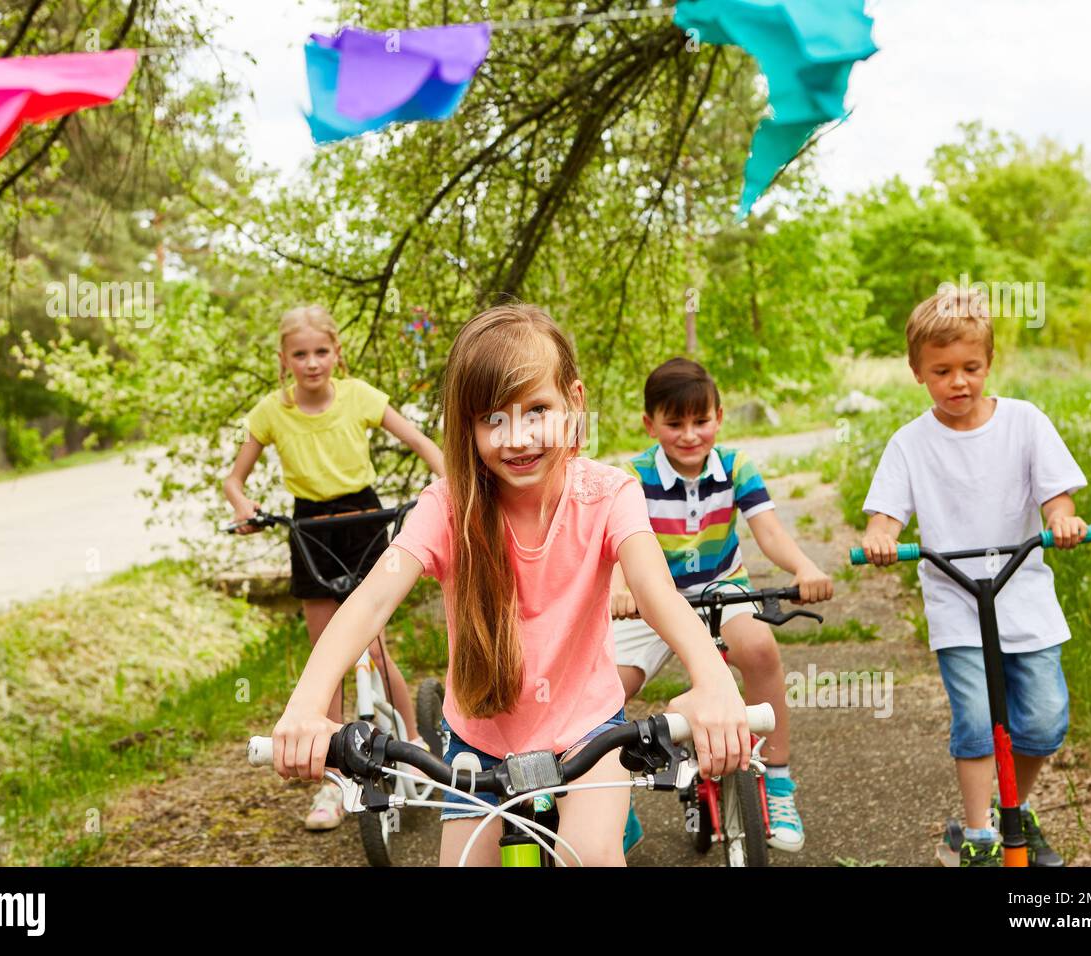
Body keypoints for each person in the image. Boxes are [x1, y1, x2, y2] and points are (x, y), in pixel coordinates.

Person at [271, 303, 752, 866]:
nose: (517, 437)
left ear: (574, 402)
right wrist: (308, 705)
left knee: (591, 856)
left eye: (537, 410)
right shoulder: (448, 508)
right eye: (492, 418)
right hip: (479, 745)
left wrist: (713, 680)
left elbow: (655, 591)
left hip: (589, 733)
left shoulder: (608, 493)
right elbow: (373, 598)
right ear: (467, 425)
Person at [859, 289, 1089, 867]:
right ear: (917, 372)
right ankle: (981, 835)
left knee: (1043, 720)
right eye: (942, 371)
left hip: (1024, 595)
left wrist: (1062, 521)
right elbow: (884, 513)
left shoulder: (1024, 422)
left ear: (989, 363)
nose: (958, 381)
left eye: (971, 368)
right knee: (977, 721)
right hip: (958, 604)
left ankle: (1016, 812)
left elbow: (1055, 496)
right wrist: (881, 536)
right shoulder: (910, 443)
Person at [224, 304, 445, 831]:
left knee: (370, 643)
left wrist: (448, 487)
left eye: (321, 351)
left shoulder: (360, 396)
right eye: (300, 354)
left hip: (364, 517)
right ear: (284, 360)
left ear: (336, 353)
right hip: (310, 526)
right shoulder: (270, 412)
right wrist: (243, 508)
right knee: (329, 655)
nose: (312, 363)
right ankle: (330, 781)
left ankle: (413, 742)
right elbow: (235, 480)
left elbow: (422, 443)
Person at [610, 357, 833, 854]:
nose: (690, 435)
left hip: (720, 588)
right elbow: (620, 544)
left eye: (701, 421)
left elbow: (769, 531)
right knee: (606, 687)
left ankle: (777, 782)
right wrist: (620, 588)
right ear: (650, 425)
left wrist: (803, 568)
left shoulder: (736, 467)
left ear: (720, 416)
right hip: (654, 597)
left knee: (760, 650)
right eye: (674, 423)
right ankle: (611, 802)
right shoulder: (633, 477)